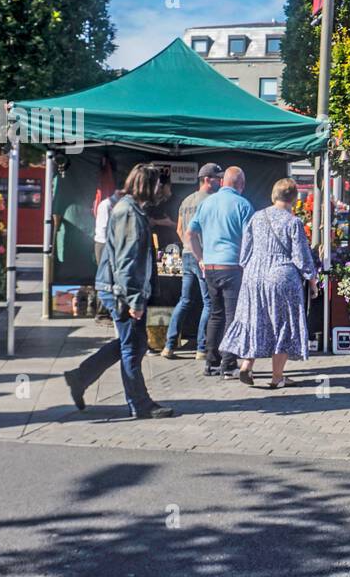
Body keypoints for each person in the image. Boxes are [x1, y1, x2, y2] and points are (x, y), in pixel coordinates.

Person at [63, 164, 174, 419]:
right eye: (158, 184)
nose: (161, 189)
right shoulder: (129, 212)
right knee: (133, 347)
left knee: (131, 342)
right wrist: (134, 299)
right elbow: (126, 261)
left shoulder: (131, 209)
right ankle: (140, 403)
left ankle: (80, 377)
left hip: (121, 289)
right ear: (148, 185)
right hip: (122, 291)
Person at [223, 178, 320, 389]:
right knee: (283, 323)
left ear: (273, 195)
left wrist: (253, 269)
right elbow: (301, 257)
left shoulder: (256, 217)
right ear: (294, 198)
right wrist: (312, 280)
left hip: (254, 276)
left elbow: (244, 253)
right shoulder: (293, 222)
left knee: (255, 319)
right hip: (281, 276)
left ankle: (247, 365)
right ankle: (277, 377)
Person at [189, 166, 253, 377]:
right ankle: (228, 364)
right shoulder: (243, 205)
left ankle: (211, 362)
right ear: (240, 184)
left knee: (215, 315)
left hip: (211, 268)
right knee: (232, 317)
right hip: (232, 267)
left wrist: (201, 258)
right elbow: (249, 240)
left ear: (223, 182)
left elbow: (190, 233)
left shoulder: (206, 203)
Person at [163, 163, 221, 359]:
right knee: (209, 302)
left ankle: (169, 345)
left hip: (187, 254)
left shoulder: (186, 200)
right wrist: (201, 252)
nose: (220, 181)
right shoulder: (212, 201)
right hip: (203, 256)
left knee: (185, 300)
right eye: (217, 178)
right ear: (206, 179)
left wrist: (188, 247)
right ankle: (201, 348)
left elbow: (180, 229)